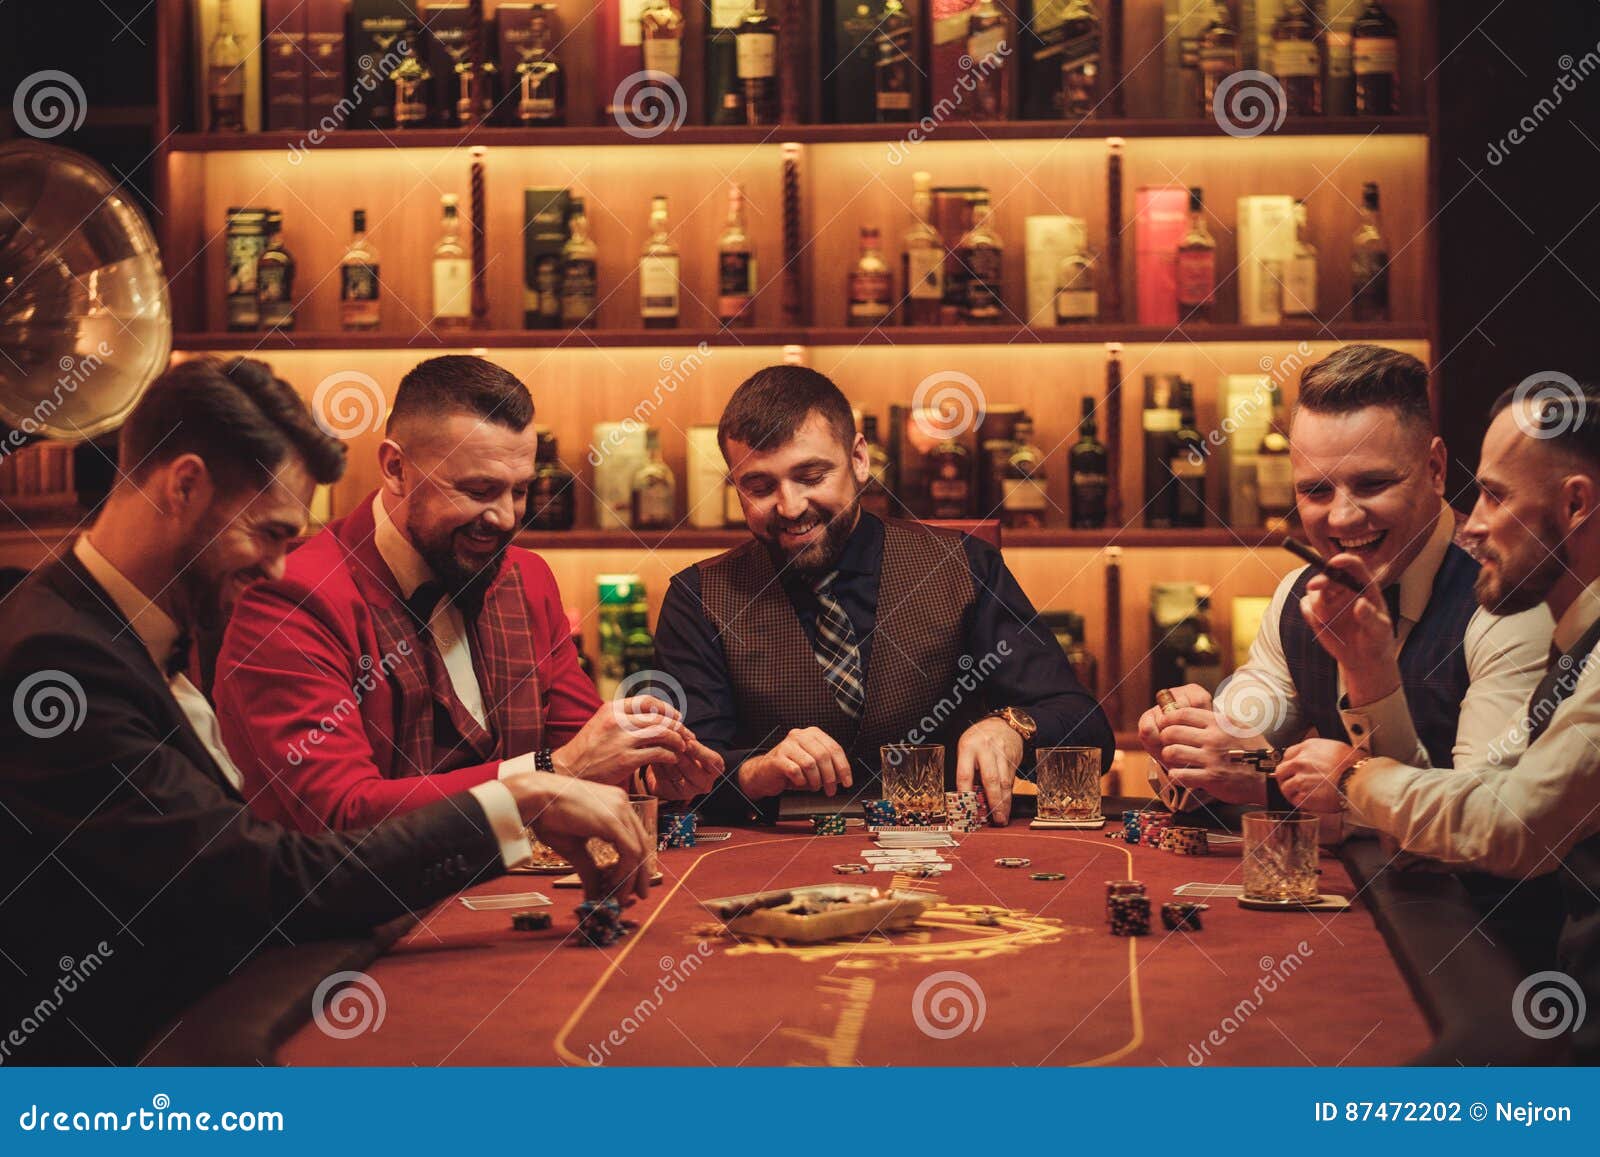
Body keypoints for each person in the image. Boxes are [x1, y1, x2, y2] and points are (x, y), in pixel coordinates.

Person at [0, 358, 651, 1065]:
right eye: (270, 533)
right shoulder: (55, 662)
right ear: (182, 485)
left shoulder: (103, 630)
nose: (280, 568)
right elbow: (263, 880)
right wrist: (516, 798)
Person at [215, 355, 721, 833]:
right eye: (478, 491)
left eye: (518, 491)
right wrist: (551, 770)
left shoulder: (528, 577)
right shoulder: (290, 600)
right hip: (352, 920)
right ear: (395, 468)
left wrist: (646, 772)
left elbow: (580, 746)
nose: (504, 518)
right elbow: (341, 815)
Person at [1277, 380, 1600, 1061]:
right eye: (1314, 489)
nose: (1473, 522)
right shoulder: (1577, 641)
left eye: (1496, 495)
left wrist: (1353, 774)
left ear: (1575, 503)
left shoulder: (1535, 627)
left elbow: (1503, 825)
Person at [654, 365, 1113, 824]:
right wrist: (756, 772)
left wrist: (1013, 730)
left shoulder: (965, 565)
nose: (790, 507)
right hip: (778, 869)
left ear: (858, 459)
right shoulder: (697, 598)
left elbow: (1087, 727)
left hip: (950, 859)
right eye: (760, 487)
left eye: (811, 476)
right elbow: (679, 781)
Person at [1137, 344, 1550, 809]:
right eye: (1316, 490)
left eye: (1373, 484)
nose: (1342, 517)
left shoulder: (1507, 600)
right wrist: (1183, 740)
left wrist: (1280, 786)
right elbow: (1233, 748)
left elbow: (1484, 820)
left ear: (1435, 470)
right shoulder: (1296, 598)